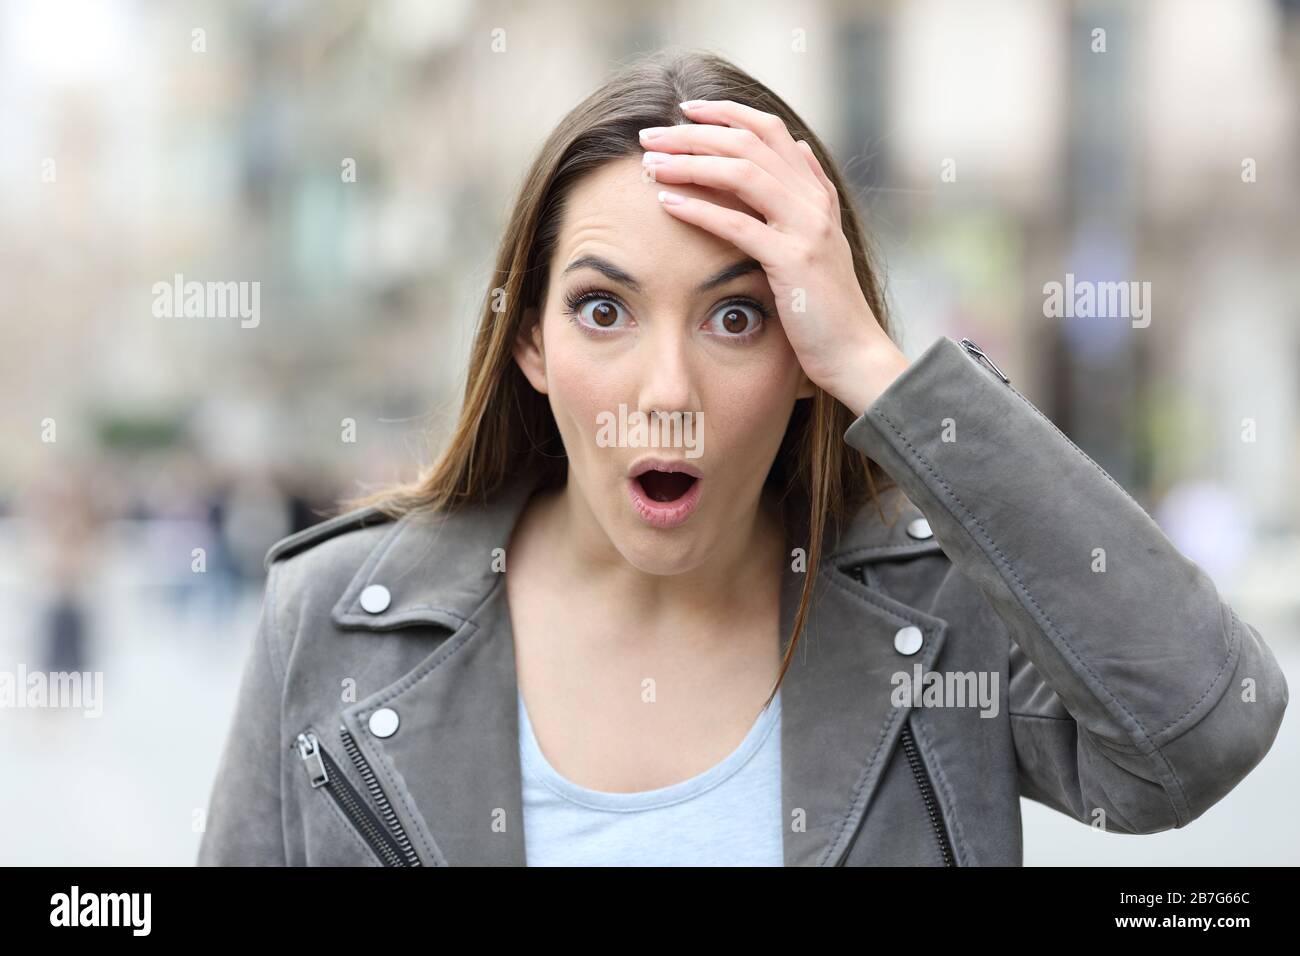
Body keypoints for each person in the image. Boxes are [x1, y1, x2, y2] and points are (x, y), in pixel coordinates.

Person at [197, 49, 1288, 867]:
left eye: (737, 318)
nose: (665, 391)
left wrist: (884, 367)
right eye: (601, 308)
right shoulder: (337, 618)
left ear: (807, 354)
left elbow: (1205, 727)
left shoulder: (937, 603)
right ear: (528, 337)